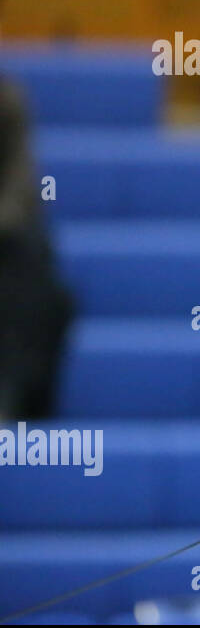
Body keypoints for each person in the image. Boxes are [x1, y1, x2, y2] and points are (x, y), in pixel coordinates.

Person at [0, 78, 74, 422]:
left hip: (7, 245)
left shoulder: (7, 101)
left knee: (39, 282)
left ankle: (12, 399)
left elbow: (21, 189)